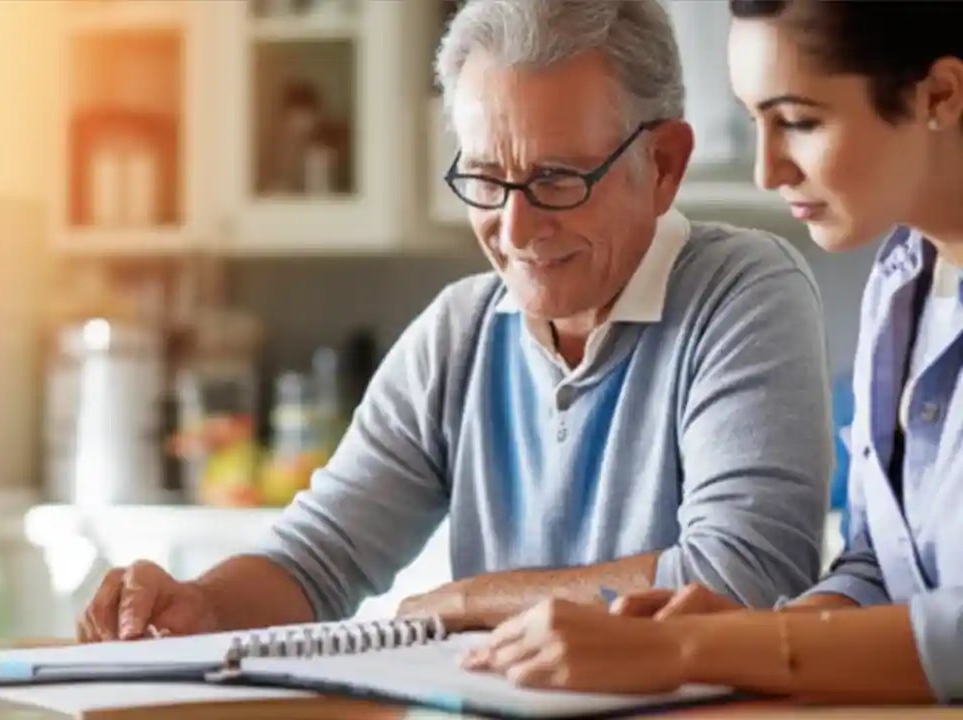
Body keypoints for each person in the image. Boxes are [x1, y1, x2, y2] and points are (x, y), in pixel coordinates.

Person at [77, 0, 834, 643]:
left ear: (664, 164)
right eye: (485, 178)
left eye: (556, 178)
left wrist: (473, 601)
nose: (514, 228)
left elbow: (742, 578)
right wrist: (199, 605)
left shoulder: (742, 292)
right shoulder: (462, 332)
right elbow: (318, 558)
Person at [466, 0, 963, 705]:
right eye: (754, 118)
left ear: (940, 95)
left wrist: (693, 647)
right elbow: (883, 567)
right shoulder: (900, 283)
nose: (767, 170)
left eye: (798, 121)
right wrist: (772, 631)